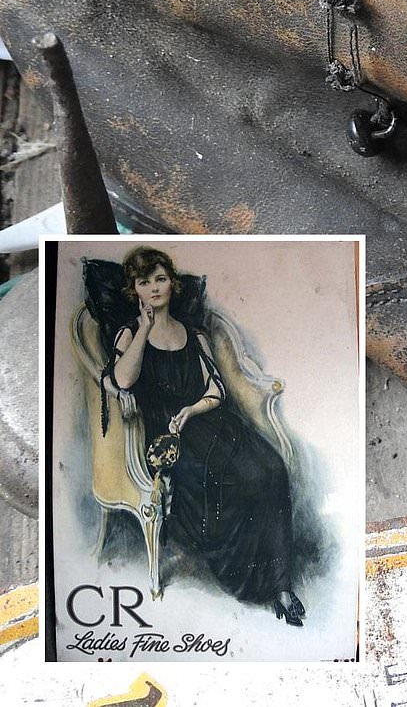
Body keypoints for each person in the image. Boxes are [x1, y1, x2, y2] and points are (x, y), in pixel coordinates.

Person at [101, 246, 304, 625]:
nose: (153, 288)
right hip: (169, 437)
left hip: (208, 422)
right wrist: (144, 329)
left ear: (172, 284)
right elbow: (123, 380)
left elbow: (215, 390)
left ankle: (281, 585)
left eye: (160, 278)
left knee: (272, 469)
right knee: (240, 483)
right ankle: (249, 577)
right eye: (144, 282)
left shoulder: (193, 334)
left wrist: (192, 409)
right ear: (134, 290)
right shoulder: (129, 333)